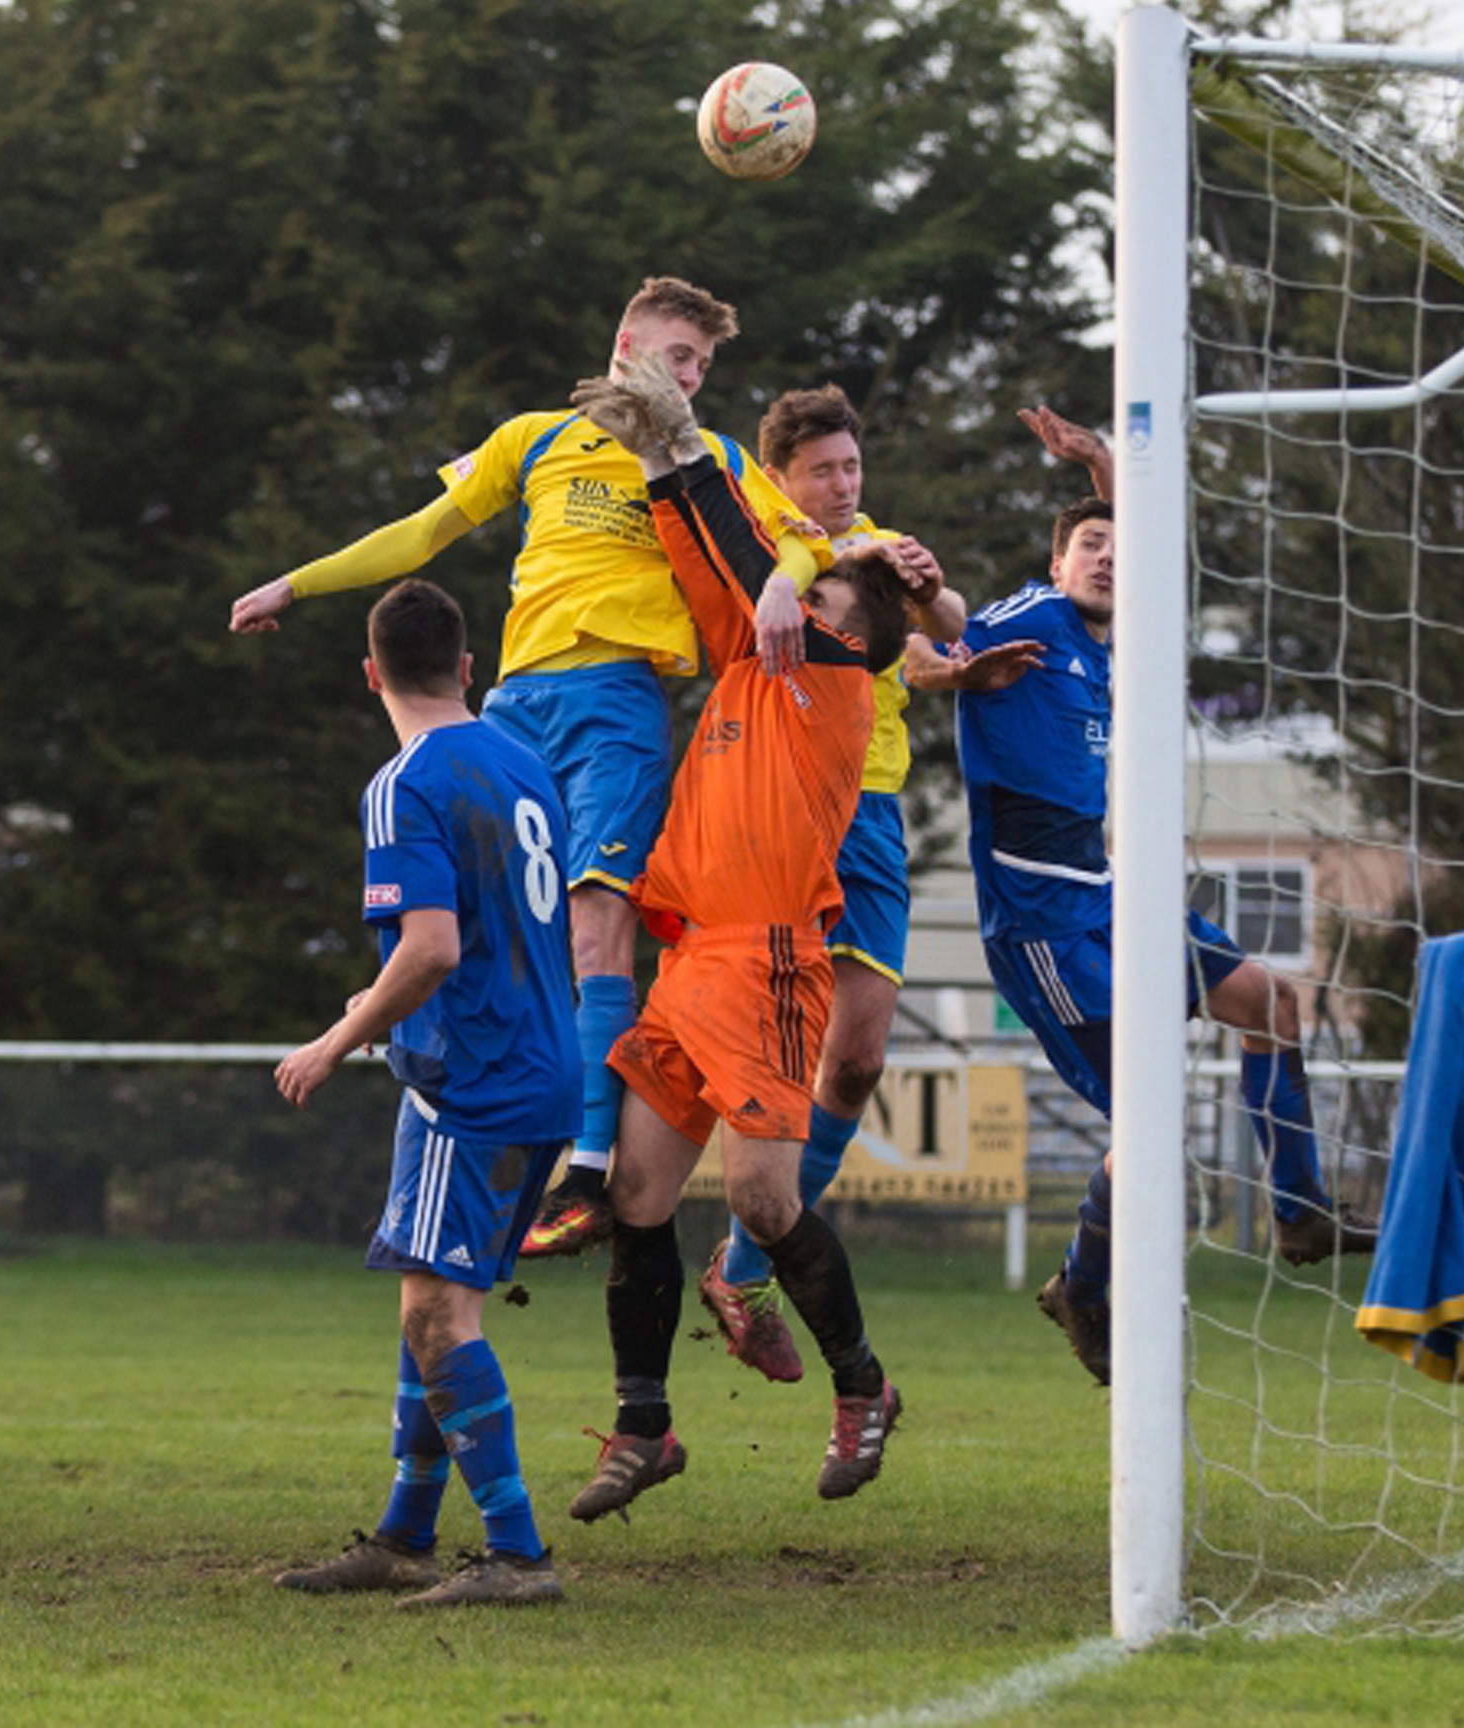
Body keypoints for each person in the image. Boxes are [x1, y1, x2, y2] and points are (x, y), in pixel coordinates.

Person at [230, 278, 818, 1267]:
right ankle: (441, 1080)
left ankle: (585, 1172)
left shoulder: (707, 457)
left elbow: (802, 544)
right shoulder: (537, 439)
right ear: (627, 344)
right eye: (679, 356)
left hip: (617, 701)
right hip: (510, 707)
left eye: (703, 366)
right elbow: (422, 533)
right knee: (464, 914)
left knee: (594, 923)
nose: (690, 379)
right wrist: (296, 582)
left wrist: (780, 593)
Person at [556, 355, 920, 1518]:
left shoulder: (835, 689)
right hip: (690, 964)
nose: (792, 604)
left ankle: (862, 1386)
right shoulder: (756, 660)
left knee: (763, 1204)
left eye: (816, 602)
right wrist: (663, 465)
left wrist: (684, 439)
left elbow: (752, 558)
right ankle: (643, 1428)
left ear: (849, 638)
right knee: (639, 1197)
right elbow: (715, 558)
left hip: (766, 961)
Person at [957, 408, 1378, 1387]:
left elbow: (1139, 551)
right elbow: (944, 632)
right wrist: (941, 666)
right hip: (1042, 925)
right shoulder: (1033, 619)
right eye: (1088, 545)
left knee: (1271, 1002)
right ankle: (1081, 1287)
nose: (1106, 557)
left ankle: (1301, 1213)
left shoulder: (1113, 643)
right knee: (1147, 1127)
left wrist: (1105, 462)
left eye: (1117, 545)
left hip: (1113, 894)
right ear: (1054, 564)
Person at [695, 385, 1043, 1384]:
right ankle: (655, 1217)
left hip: (872, 815)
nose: (844, 485)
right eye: (822, 472)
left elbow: (936, 637)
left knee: (855, 1061)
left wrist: (947, 642)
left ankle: (740, 1265)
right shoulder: (763, 553)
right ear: (779, 478)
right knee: (763, 1048)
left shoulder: (881, 547)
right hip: (777, 813)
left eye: (852, 467)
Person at [268, 578, 581, 1608]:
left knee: (441, 1318)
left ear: (371, 675)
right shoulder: (525, 763)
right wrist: (386, 1005)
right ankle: (405, 1538)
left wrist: (338, 1038)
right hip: (541, 1067)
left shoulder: (404, 782)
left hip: (473, 1085)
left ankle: (518, 1556)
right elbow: (491, 934)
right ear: (467, 667)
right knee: (430, 1302)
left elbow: (434, 946)